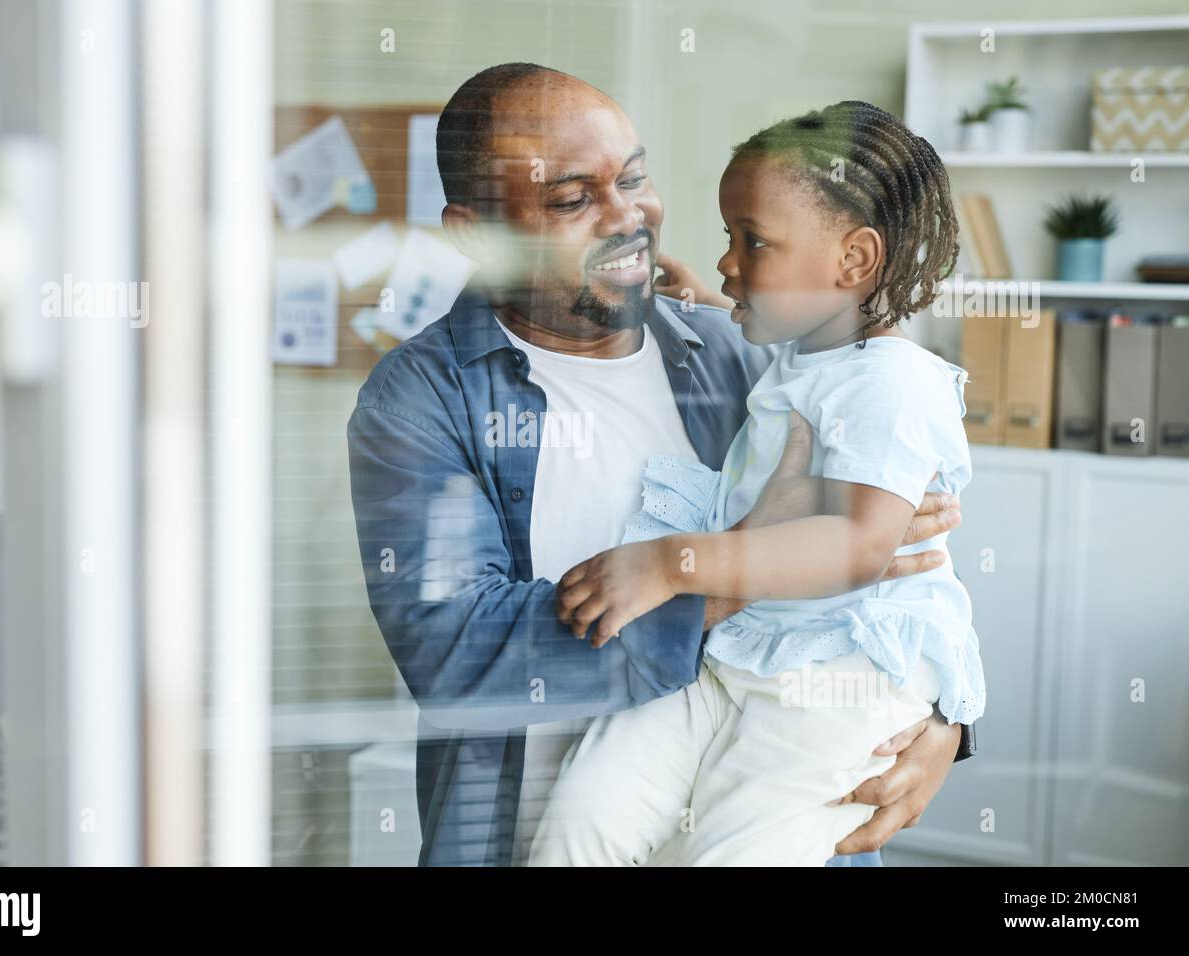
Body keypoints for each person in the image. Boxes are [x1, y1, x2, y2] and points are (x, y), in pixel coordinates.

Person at [347, 65, 973, 867]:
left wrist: (944, 724)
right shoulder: (422, 401)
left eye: (634, 179)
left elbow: (903, 562)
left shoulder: (741, 353)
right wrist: (728, 575)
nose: (627, 218)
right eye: (573, 200)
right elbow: (456, 655)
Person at [530, 101, 984, 866]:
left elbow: (861, 545)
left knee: (731, 853)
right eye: (727, 237)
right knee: (584, 817)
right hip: (738, 652)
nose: (727, 262)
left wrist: (670, 562)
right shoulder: (815, 354)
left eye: (753, 242)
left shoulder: (897, 383)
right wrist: (711, 307)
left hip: (838, 669)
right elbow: (790, 380)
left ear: (853, 261)